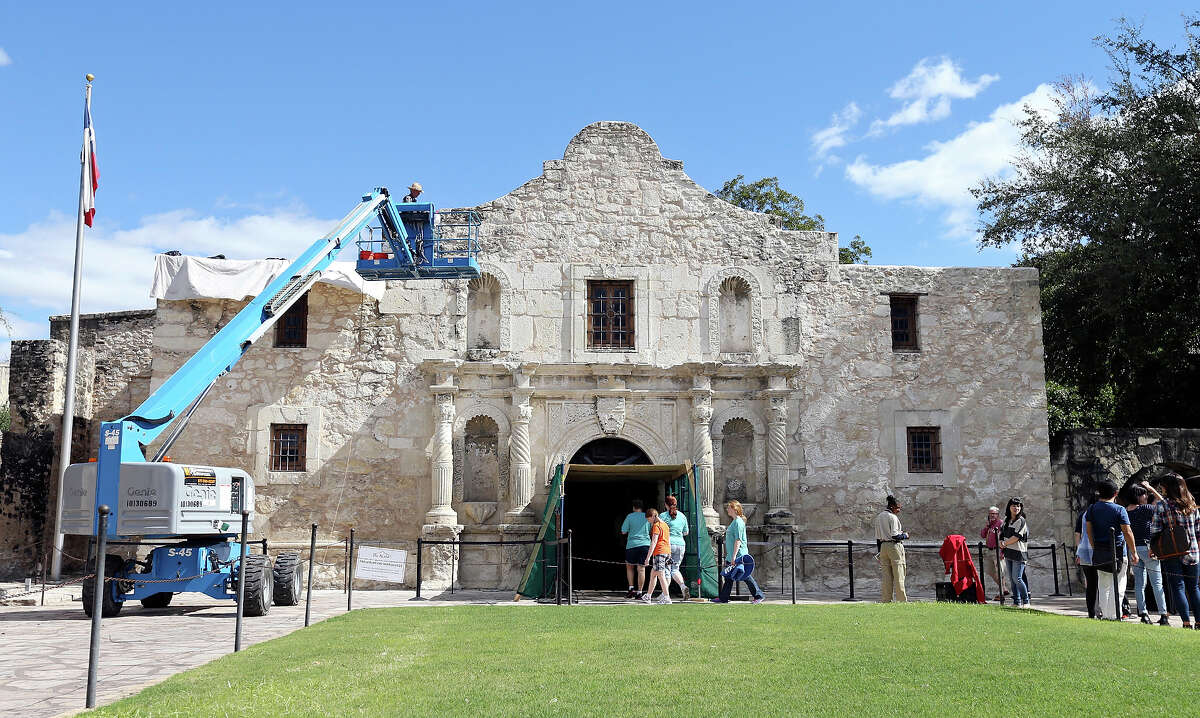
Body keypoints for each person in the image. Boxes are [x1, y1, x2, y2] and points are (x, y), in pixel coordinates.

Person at [1151, 473, 1200, 629]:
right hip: (1193, 551)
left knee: (1178, 587)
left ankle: (1186, 622)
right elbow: (1198, 531)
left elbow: (1155, 529)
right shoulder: (1192, 504)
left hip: (1172, 552)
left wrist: (1154, 548)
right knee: (1194, 588)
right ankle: (1199, 621)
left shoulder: (1162, 505)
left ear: (1167, 487)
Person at [1086, 479, 1138, 621]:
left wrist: (1094, 546)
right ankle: (1115, 614)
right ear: (1116, 493)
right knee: (1119, 584)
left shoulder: (1092, 509)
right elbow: (1127, 532)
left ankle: (1106, 614)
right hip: (1118, 551)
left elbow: (1089, 530)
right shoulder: (1119, 509)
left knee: (1103, 585)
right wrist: (1134, 552)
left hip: (1100, 550)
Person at [1128, 481, 1170, 625]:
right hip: (1147, 548)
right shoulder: (1145, 508)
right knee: (1157, 583)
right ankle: (1163, 614)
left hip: (1133, 549)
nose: (1146, 496)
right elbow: (1164, 503)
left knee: (1139, 584)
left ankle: (1143, 613)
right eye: (1144, 494)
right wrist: (1151, 488)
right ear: (1139, 496)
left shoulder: (1126, 511)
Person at [711, 501, 765, 604]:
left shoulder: (738, 522)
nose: (727, 509)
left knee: (746, 576)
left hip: (739, 556)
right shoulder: (735, 521)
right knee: (728, 576)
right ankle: (723, 598)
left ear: (735, 509)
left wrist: (734, 557)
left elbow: (738, 540)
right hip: (732, 555)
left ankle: (759, 595)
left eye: (729, 508)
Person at [874, 495, 908, 603]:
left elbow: (878, 538)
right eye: (898, 507)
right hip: (894, 547)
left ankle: (886, 600)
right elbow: (895, 536)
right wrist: (905, 536)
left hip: (883, 547)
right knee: (899, 575)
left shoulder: (879, 516)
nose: (899, 510)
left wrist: (879, 552)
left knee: (886, 576)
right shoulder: (892, 517)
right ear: (892, 506)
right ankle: (901, 600)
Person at [998, 498, 1031, 608]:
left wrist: (1004, 543)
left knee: (1017, 578)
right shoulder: (1006, 520)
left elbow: (1017, 537)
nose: (1016, 508)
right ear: (1009, 507)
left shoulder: (1021, 521)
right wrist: (1000, 542)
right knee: (1012, 580)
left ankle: (1026, 601)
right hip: (1009, 553)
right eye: (1013, 506)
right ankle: (1016, 602)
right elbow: (1001, 534)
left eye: (1018, 506)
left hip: (1019, 553)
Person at [641, 507, 674, 604]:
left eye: (649, 519)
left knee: (661, 575)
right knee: (653, 574)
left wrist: (648, 558)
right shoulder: (665, 525)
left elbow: (654, 542)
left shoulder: (656, 526)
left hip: (659, 552)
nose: (649, 522)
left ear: (653, 516)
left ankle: (667, 597)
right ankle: (648, 595)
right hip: (666, 551)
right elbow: (668, 540)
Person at [1075, 494, 1100, 618]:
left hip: (1084, 551)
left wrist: (1078, 552)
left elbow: (1077, 535)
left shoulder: (1082, 515)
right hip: (1097, 551)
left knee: (1090, 584)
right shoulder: (1098, 513)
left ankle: (1091, 612)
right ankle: (1101, 610)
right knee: (1101, 582)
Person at [661, 496, 691, 600]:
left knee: (666, 569)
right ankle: (683, 586)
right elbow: (686, 532)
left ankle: (665, 594)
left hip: (668, 545)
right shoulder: (682, 516)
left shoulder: (663, 516)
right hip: (681, 544)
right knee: (675, 569)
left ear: (666, 505)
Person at [620, 499, 651, 599]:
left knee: (629, 567)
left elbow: (623, 531)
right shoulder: (647, 517)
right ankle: (640, 592)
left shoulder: (630, 516)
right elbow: (652, 530)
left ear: (633, 507)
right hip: (645, 544)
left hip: (632, 545)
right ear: (642, 507)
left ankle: (631, 588)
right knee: (641, 569)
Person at [980, 506, 1008, 600]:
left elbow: (1005, 538)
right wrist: (987, 526)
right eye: (990, 513)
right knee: (989, 570)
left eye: (994, 513)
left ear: (998, 514)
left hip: (998, 550)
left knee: (999, 571)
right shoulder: (990, 525)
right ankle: (1003, 589)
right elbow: (983, 535)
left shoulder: (1000, 523)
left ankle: (1002, 592)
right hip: (989, 550)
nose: (992, 515)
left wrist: (1003, 552)